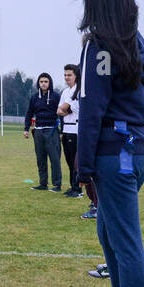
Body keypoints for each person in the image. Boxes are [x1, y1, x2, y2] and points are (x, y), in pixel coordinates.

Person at [75, 0, 144, 287]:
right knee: (107, 230)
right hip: (138, 149)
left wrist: (83, 166)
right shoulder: (140, 45)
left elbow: (91, 109)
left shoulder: (98, 47)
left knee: (125, 240)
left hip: (115, 153)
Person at [24, 72, 63, 192]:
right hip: (38, 131)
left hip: (52, 130)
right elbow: (29, 113)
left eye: (46, 82)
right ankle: (43, 183)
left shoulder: (56, 96)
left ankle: (57, 184)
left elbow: (61, 114)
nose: (43, 84)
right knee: (40, 159)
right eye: (41, 82)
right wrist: (26, 129)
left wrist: (62, 131)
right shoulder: (34, 97)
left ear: (49, 83)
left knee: (55, 158)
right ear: (38, 83)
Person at [57, 64, 82, 198]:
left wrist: (64, 110)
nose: (67, 77)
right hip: (66, 127)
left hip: (76, 129)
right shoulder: (65, 92)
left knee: (75, 161)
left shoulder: (77, 91)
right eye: (65, 75)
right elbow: (59, 111)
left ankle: (78, 189)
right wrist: (65, 111)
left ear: (76, 76)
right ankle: (72, 186)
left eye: (69, 75)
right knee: (68, 160)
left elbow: (65, 108)